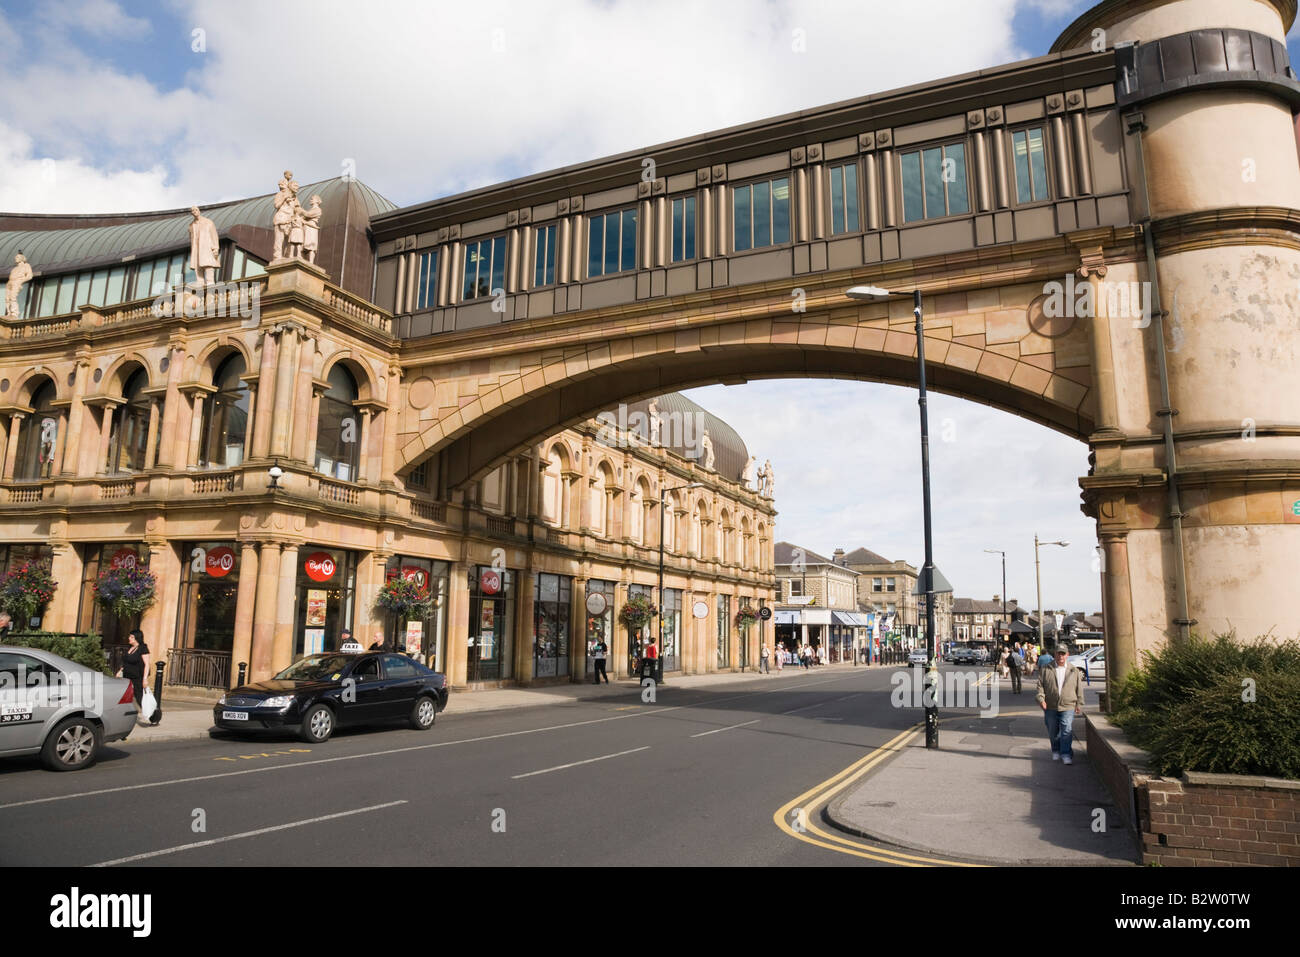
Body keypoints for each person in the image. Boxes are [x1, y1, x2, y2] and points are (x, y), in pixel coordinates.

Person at [1037, 645, 1085, 764]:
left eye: (1063, 654)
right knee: (1053, 731)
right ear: (1054, 654)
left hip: (1068, 705)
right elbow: (1040, 686)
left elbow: (1079, 688)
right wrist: (1041, 699)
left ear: (1067, 655)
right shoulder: (1046, 669)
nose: (1061, 656)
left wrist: (1079, 703)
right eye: (1059, 653)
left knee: (1066, 730)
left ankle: (1066, 754)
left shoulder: (1074, 670)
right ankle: (1056, 750)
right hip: (1050, 705)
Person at [121, 629, 151, 723]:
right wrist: (120, 671)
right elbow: (126, 662)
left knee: (140, 697)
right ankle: (126, 716)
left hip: (137, 677)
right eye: (129, 636)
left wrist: (145, 679)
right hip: (126, 677)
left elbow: (147, 664)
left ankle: (151, 716)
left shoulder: (143, 648)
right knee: (125, 697)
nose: (129, 638)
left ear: (137, 638)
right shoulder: (130, 648)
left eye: (131, 637)